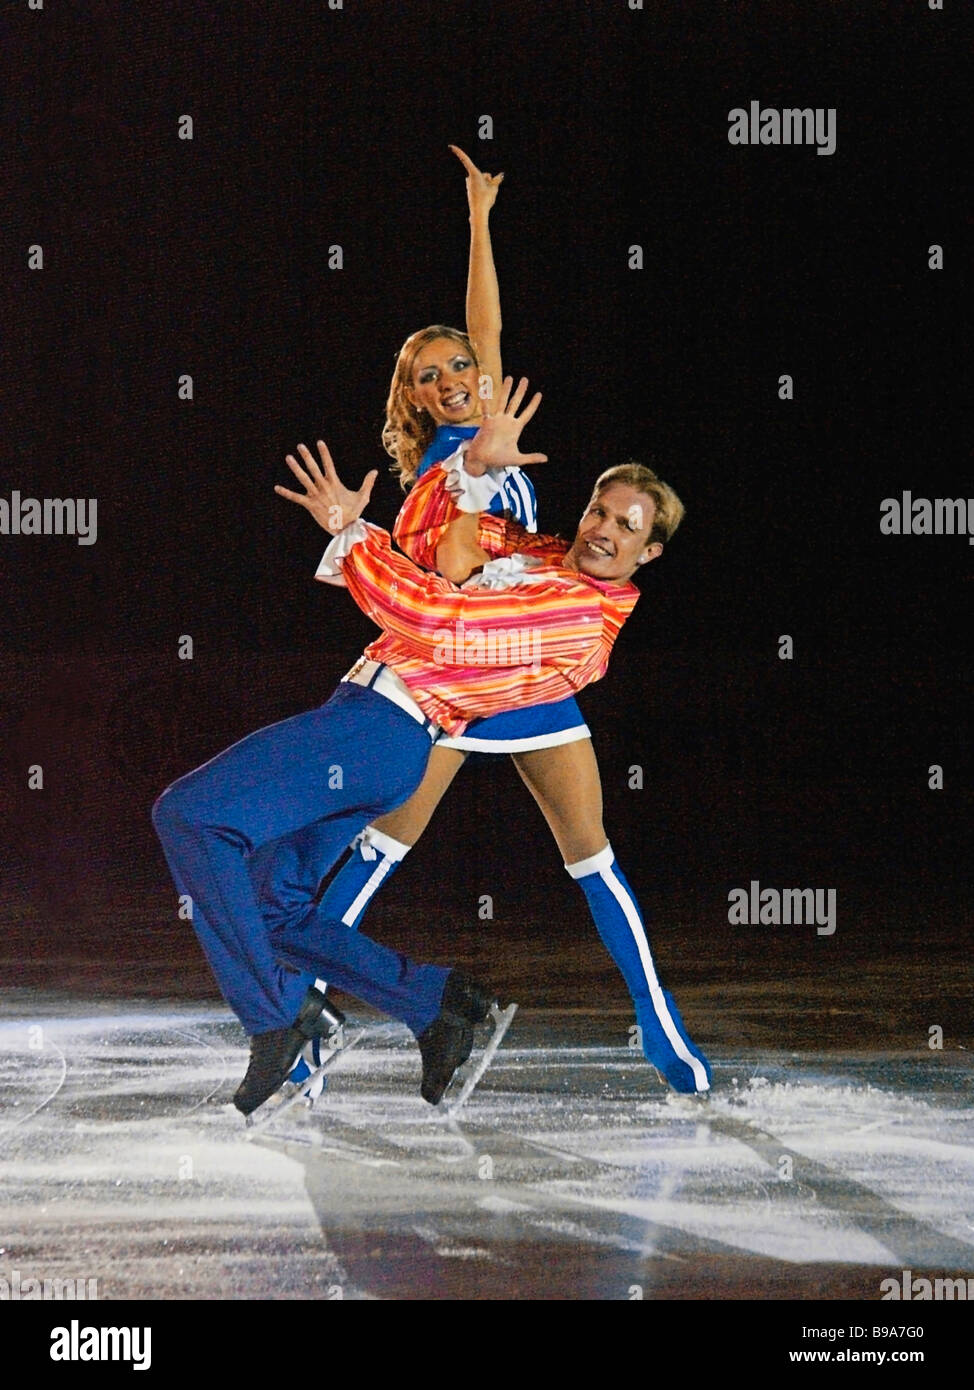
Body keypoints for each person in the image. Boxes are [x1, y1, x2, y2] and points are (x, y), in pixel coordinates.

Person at [297, 150, 712, 1096]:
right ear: (413, 397)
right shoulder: (450, 461)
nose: (457, 378)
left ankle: (661, 1029)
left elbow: (488, 327)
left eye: (464, 368)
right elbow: (442, 565)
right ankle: (307, 1024)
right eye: (433, 374)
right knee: (378, 853)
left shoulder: (487, 421)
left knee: (594, 856)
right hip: (454, 675)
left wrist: (480, 219)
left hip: (533, 674)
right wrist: (476, 478)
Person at [151, 387, 682, 1116]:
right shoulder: (545, 557)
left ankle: (275, 1019)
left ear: (648, 553)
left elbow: (441, 621)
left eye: (627, 526)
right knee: (277, 903)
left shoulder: (578, 616)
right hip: (374, 728)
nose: (603, 531)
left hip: (383, 729)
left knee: (189, 816)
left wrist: (350, 533)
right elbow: (430, 541)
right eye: (599, 510)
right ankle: (438, 1004)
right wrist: (469, 468)